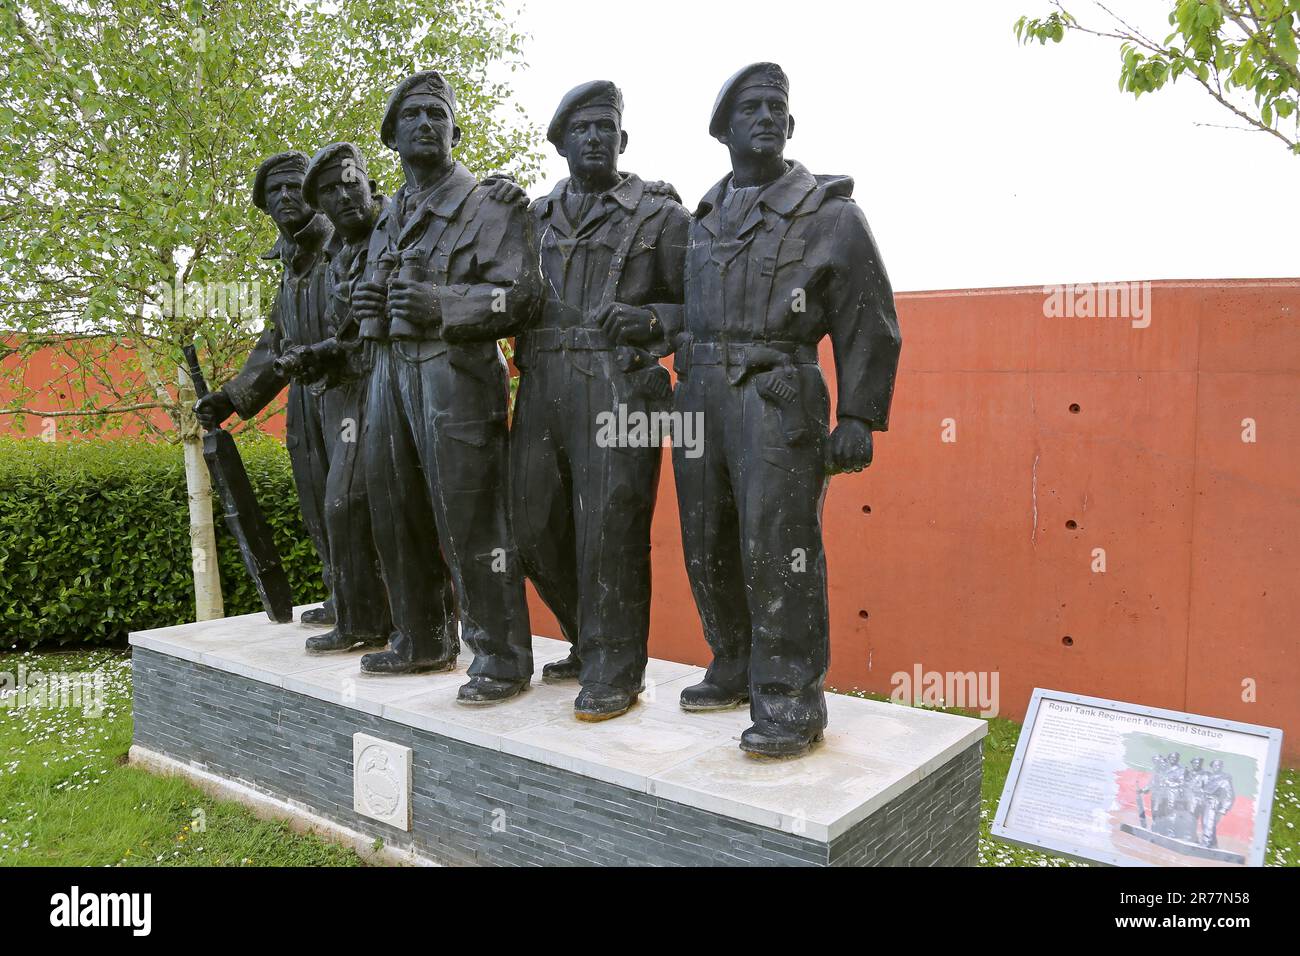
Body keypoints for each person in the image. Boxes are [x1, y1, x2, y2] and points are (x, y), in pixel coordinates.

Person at [664, 63, 901, 757]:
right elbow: (687, 309)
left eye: (777, 108)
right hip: (698, 393)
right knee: (706, 540)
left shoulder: (830, 212)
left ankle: (792, 701)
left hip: (776, 393)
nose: (766, 117)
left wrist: (858, 416)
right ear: (724, 130)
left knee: (780, 549)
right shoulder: (700, 219)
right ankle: (733, 662)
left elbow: (870, 317)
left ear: (790, 127)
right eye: (750, 109)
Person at [350, 70, 541, 703]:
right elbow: (372, 307)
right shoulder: (387, 217)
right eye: (413, 116)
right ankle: (423, 635)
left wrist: (441, 304)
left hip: (455, 372)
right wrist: (368, 301)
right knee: (392, 502)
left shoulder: (492, 204)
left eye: (438, 115)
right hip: (388, 371)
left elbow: (521, 298)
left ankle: (502, 655)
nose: (426, 124)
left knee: (471, 513)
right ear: (392, 136)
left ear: (455, 130)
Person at [510, 81, 688, 721]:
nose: (594, 137)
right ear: (560, 143)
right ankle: (590, 639)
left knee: (611, 531)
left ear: (623, 139)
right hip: (543, 383)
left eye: (605, 127)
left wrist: (651, 321)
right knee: (529, 525)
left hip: (623, 385)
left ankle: (615, 670)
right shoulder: (531, 219)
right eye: (581, 128)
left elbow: (703, 306)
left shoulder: (660, 217)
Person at [194, 151, 340, 625]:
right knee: (317, 502)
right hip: (305, 399)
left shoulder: (344, 246)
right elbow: (276, 342)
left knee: (355, 501)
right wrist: (231, 397)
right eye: (273, 192)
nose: (284, 197)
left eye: (293, 186)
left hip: (351, 392)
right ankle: (344, 598)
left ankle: (388, 607)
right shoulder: (289, 267)